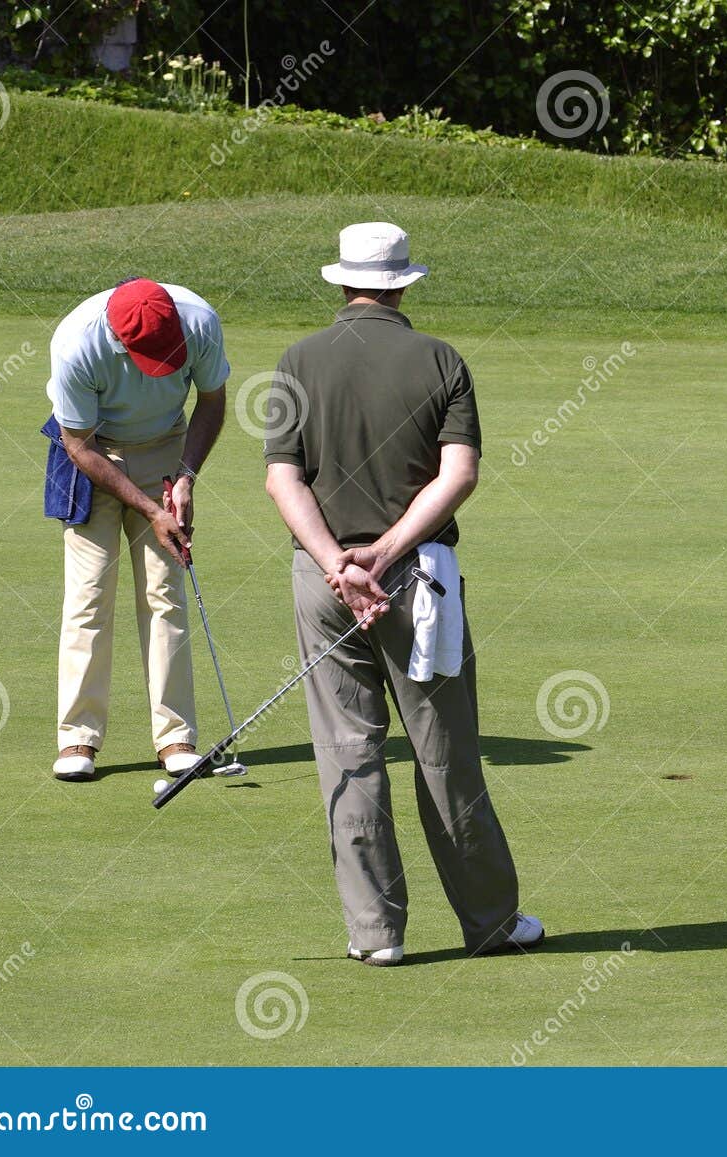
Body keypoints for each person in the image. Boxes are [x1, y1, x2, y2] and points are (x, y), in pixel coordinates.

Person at [264, 221, 541, 965]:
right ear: (402, 283)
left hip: (324, 586)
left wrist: (337, 563)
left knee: (347, 752)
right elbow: (460, 475)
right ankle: (488, 920)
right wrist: (387, 551)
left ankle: (376, 934)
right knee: (444, 752)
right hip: (418, 581)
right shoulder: (440, 360)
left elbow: (281, 477)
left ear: (341, 282)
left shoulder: (297, 360)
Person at [46, 277, 229, 782]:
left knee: (164, 591)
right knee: (89, 595)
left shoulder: (198, 320)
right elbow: (78, 445)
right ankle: (77, 739)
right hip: (91, 451)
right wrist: (151, 510)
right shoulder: (76, 341)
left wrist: (187, 475)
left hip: (167, 446)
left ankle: (175, 738)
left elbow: (212, 400)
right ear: (119, 340)